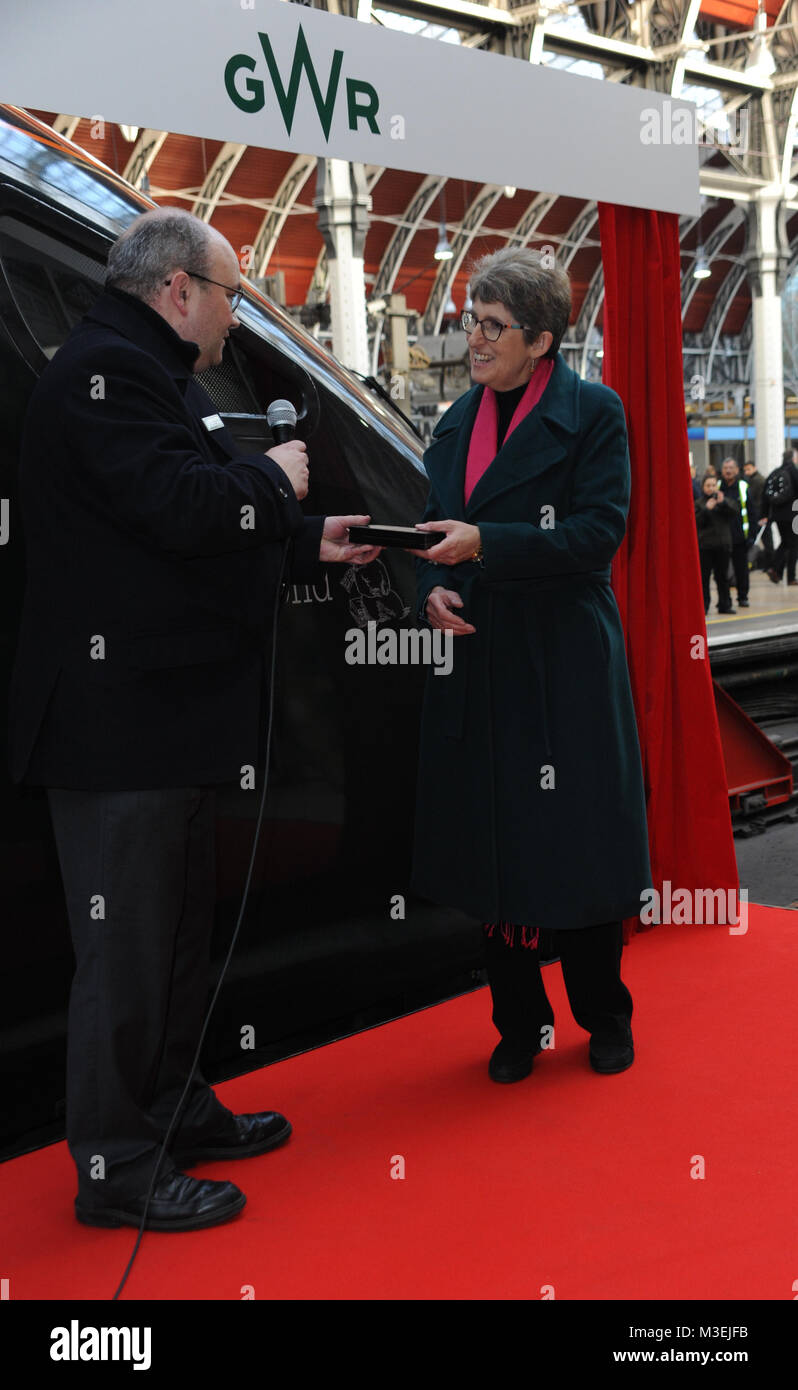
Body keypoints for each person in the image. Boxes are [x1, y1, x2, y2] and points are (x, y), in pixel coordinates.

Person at [7, 208, 380, 1232]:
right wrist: (273, 477)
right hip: (117, 725)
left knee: (171, 939)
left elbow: (184, 525)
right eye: (231, 293)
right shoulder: (106, 376)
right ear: (178, 290)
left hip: (156, 720)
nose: (236, 312)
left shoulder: (142, 373)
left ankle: (171, 1107)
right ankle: (118, 1165)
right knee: (127, 949)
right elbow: (183, 506)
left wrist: (308, 540)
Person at [408, 246, 651, 1084]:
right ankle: (519, 1023)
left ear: (540, 341)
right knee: (493, 849)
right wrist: (428, 591)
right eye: (470, 319)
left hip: (562, 659)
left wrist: (490, 544)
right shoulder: (450, 423)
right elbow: (429, 532)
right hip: (479, 660)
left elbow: (597, 536)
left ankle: (604, 1015)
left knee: (573, 842)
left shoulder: (594, 414)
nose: (473, 338)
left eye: (492, 325)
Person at [695, 473, 737, 614]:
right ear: (703, 487)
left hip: (722, 545)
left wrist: (723, 502)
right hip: (705, 546)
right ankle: (704, 606)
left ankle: (724, 605)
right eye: (708, 485)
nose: (711, 488)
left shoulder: (723, 501)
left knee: (723, 577)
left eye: (713, 485)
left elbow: (735, 512)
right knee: (704, 578)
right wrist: (707, 510)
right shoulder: (699, 503)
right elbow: (696, 522)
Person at [719, 457, 755, 606]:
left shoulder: (743, 486)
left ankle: (742, 597)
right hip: (722, 538)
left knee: (742, 570)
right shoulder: (718, 486)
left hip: (740, 537)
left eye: (731, 468)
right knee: (722, 571)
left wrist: (752, 535)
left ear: (736, 470)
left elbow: (752, 512)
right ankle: (725, 600)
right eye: (725, 468)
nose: (728, 471)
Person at [764, 448, 798, 587]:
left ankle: (776, 570)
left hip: (778, 516)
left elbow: (765, 495)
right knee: (794, 545)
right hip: (793, 515)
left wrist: (765, 514)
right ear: (793, 458)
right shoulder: (793, 471)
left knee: (785, 542)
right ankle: (790, 577)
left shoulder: (774, 473)